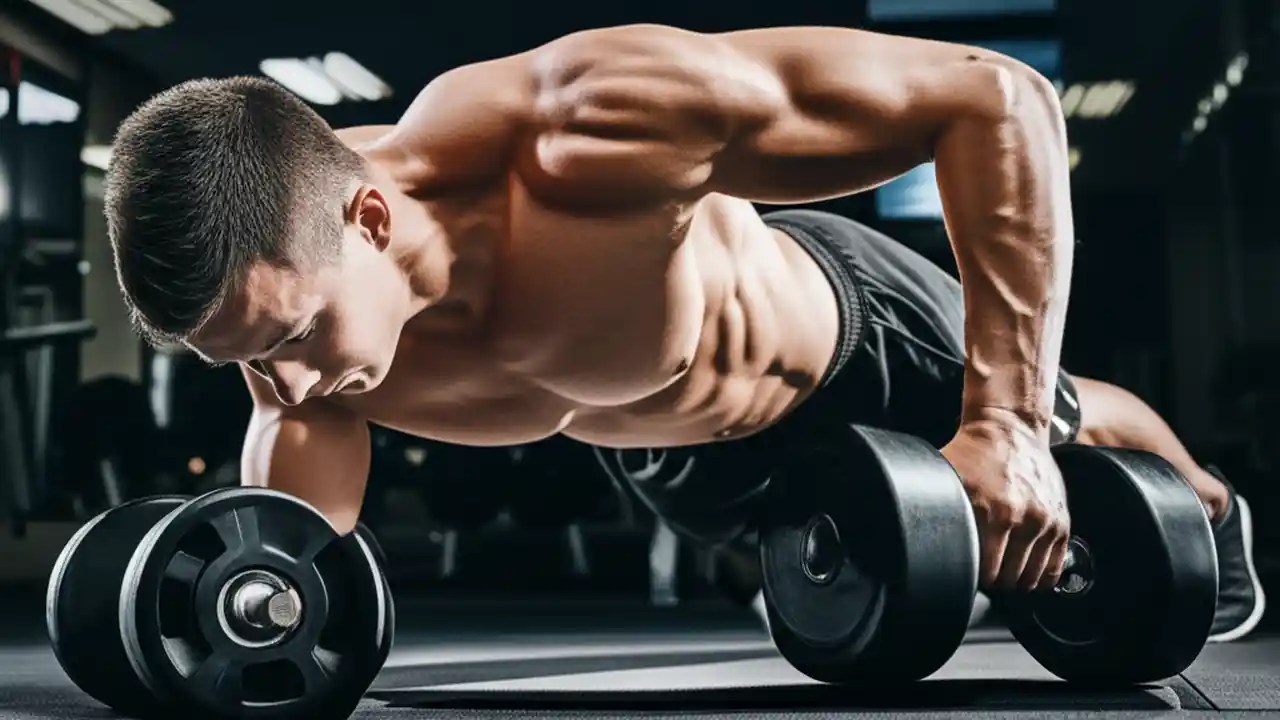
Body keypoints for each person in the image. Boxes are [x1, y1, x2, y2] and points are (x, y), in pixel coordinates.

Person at [103, 23, 1263, 641]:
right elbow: (299, 533)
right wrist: (260, 605)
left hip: (842, 347)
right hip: (673, 460)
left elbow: (994, 96)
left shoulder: (586, 130)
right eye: (248, 359)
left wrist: (1004, 422)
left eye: (293, 337)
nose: (287, 384)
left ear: (368, 216)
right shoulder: (281, 305)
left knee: (1064, 432)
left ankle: (1208, 502)